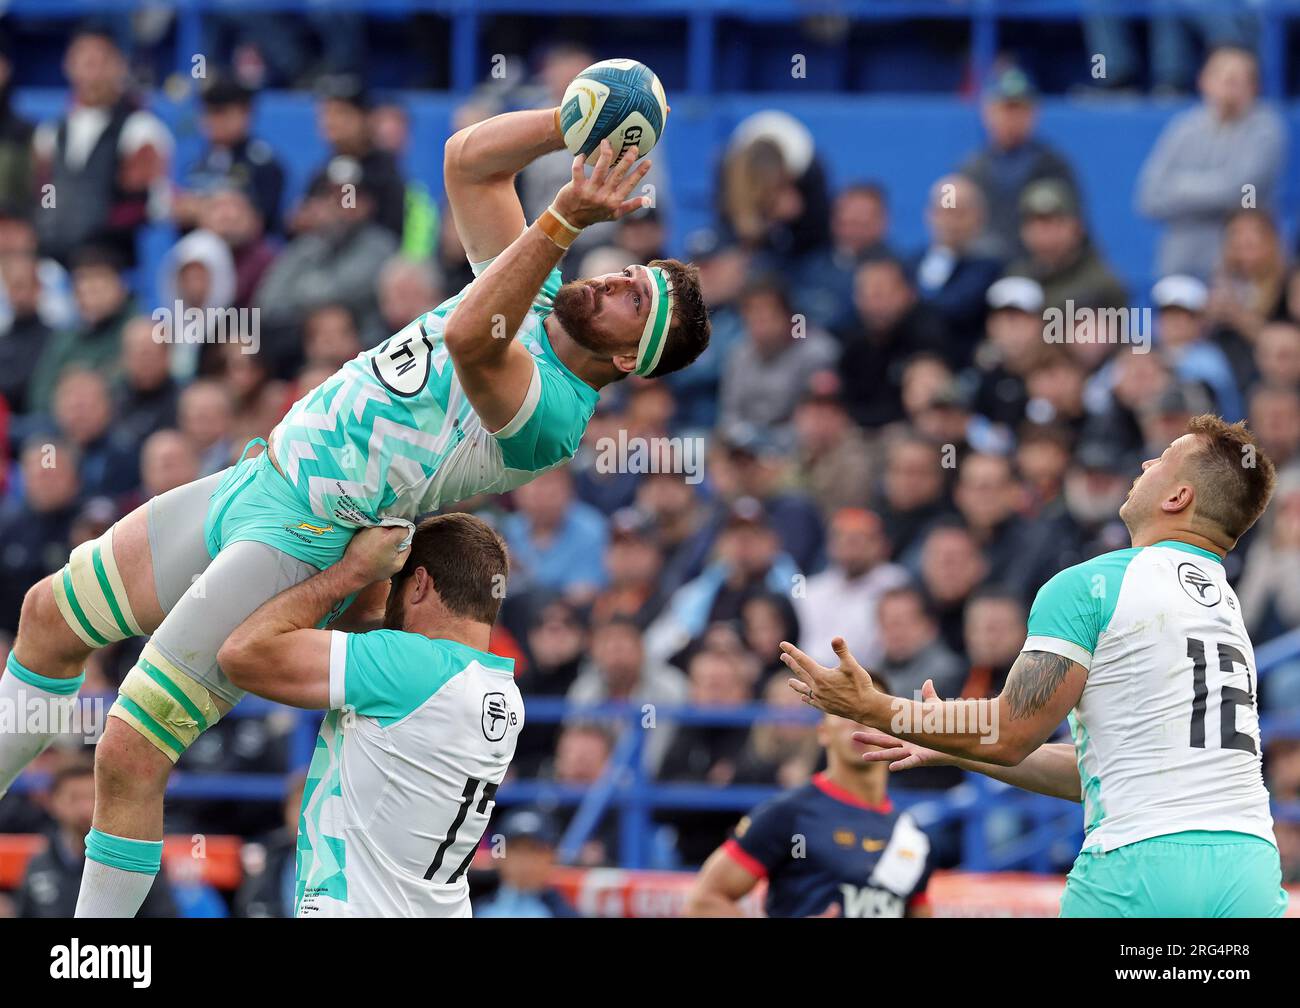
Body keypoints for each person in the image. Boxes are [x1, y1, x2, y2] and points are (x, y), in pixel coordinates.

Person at [0, 103, 710, 919]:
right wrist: (571, 122)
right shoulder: (539, 285)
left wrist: (561, 216)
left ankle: (90, 960)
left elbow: (475, 337)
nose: (617, 278)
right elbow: (468, 161)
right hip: (261, 482)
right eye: (631, 273)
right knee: (47, 616)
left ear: (629, 357)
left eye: (635, 302)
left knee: (129, 750)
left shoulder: (555, 412)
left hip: (306, 538)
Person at [785, 414, 1288, 918]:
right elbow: (1100, 772)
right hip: (1249, 866)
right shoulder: (1223, 605)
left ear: (1176, 497)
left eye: (1161, 458)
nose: (1145, 461)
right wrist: (954, 747)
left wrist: (875, 708)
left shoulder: (1093, 583)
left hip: (1141, 865)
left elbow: (1009, 732)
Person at [208, 514, 517, 917]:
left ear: (419, 584)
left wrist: (352, 571)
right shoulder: (503, 690)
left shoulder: (411, 666)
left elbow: (242, 654)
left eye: (395, 588)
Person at [684, 695, 933, 918]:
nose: (859, 722)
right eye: (847, 712)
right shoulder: (787, 814)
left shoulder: (912, 835)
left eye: (871, 712)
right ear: (823, 731)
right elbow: (702, 902)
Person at [1137, 46, 1285, 281]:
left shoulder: (1267, 128)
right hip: (1179, 264)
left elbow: (1241, 192)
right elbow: (1148, 198)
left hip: (1242, 271)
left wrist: (1180, 187)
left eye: (1237, 79)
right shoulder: (1183, 128)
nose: (1228, 85)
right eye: (1221, 76)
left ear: (1254, 87)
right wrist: (1217, 188)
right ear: (1203, 81)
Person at [15, 755, 175, 918]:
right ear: (53, 802)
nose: (85, 808)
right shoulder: (39, 865)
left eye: (94, 798)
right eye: (74, 798)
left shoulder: (133, 862)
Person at [474, 808, 581, 918]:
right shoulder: (471, 906)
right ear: (498, 856)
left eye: (535, 850)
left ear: (551, 857)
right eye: (515, 849)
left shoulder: (564, 912)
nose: (525, 861)